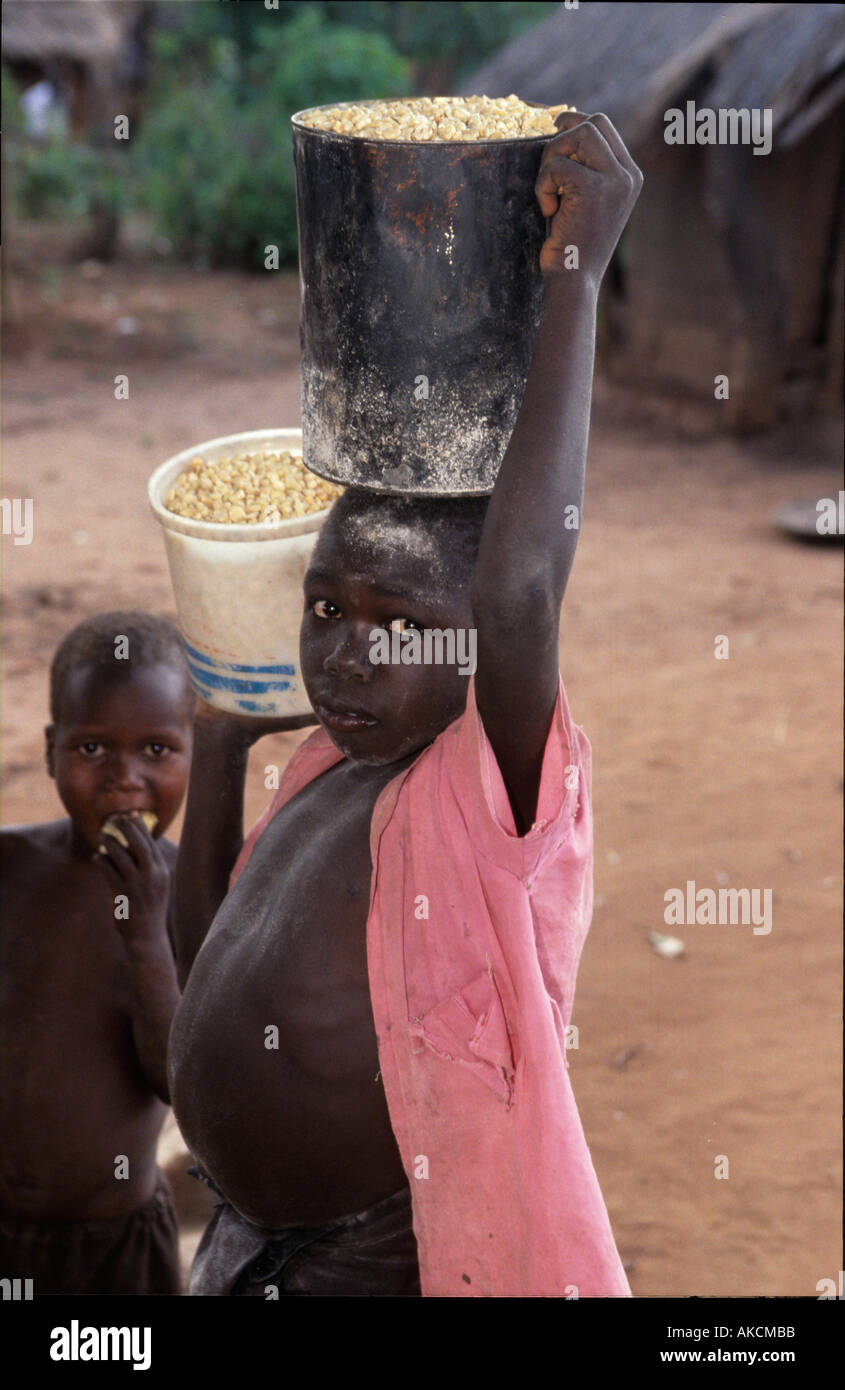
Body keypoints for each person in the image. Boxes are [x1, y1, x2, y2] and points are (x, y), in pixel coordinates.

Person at [169, 112, 642, 1297]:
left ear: (480, 644)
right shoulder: (325, 768)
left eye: (397, 619)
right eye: (325, 609)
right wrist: (224, 742)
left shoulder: (490, 796)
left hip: (380, 1256)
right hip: (247, 1243)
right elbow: (202, 961)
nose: (347, 656)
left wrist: (577, 272)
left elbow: (522, 586)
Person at [0, 611, 195, 1295]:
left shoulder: (193, 901)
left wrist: (144, 935)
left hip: (112, 1251)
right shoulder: (10, 864)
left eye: (156, 749)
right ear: (51, 748)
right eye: (91, 750)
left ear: (191, 750)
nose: (123, 779)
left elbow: (180, 1084)